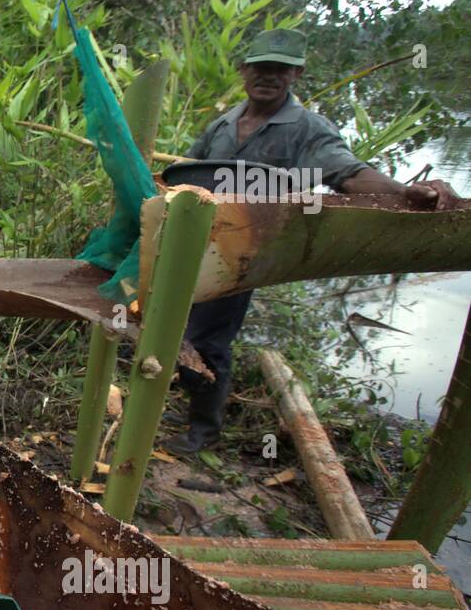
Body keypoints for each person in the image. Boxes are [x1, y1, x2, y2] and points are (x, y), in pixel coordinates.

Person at [163, 28, 460, 455]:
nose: (268, 76)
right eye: (261, 67)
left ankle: (204, 431)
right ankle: (193, 403)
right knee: (185, 327)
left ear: (296, 74)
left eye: (279, 70)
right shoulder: (226, 122)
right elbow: (190, 167)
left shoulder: (305, 128)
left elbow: (349, 173)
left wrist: (403, 193)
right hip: (200, 241)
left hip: (244, 251)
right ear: (244, 69)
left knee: (211, 338)